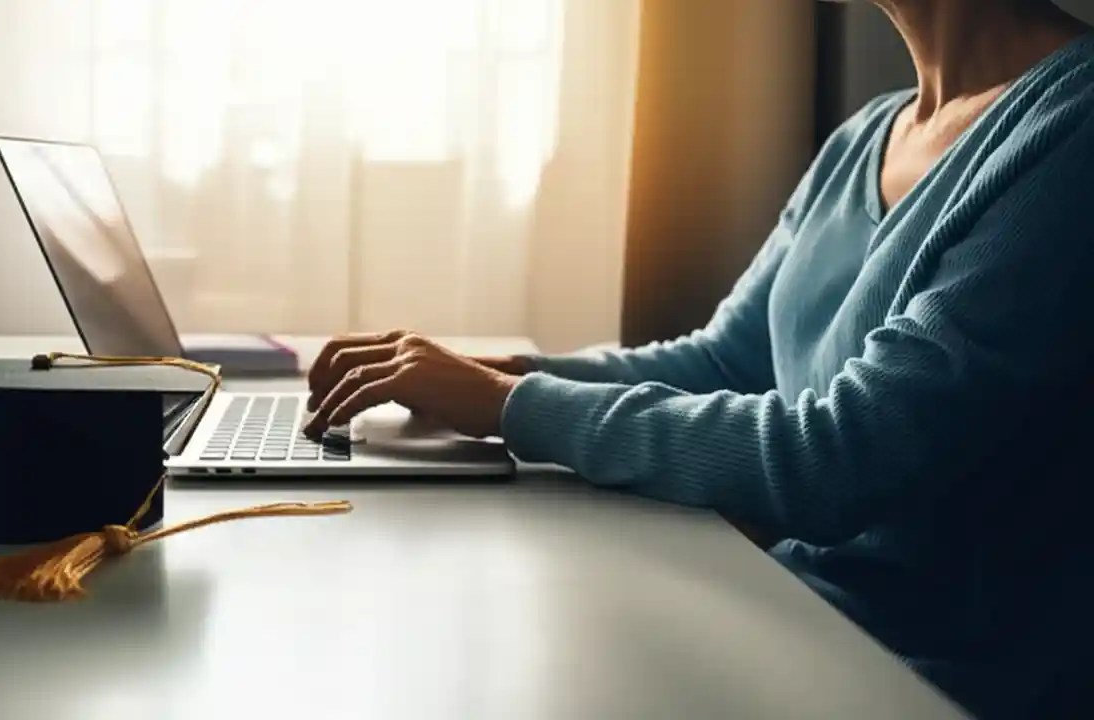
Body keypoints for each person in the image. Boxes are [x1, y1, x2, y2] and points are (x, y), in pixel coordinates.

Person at [303, 1, 1094, 716]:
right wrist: (492, 375)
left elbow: (838, 459)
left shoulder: (1074, 122)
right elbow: (722, 362)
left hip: (932, 681)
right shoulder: (868, 134)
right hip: (798, 618)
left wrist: (511, 405)